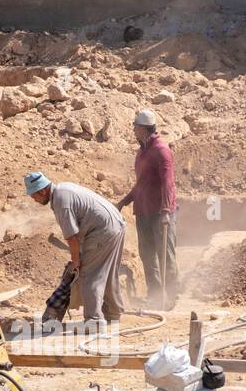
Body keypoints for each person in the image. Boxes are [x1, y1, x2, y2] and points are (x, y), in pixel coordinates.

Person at [24, 172, 126, 324]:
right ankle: (113, 312)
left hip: (102, 231)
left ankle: (94, 320)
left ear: (42, 191)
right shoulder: (63, 189)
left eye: (34, 196)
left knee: (89, 275)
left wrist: (76, 261)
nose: (35, 200)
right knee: (108, 272)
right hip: (116, 224)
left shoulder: (60, 201)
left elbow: (72, 237)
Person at [116, 108, 178, 308]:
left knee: (165, 255)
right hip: (143, 211)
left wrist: (166, 211)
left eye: (135, 126)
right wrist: (123, 202)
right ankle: (155, 294)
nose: (133, 130)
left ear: (143, 128)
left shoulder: (161, 150)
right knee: (147, 255)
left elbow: (168, 182)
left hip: (160, 213)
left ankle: (171, 297)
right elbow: (142, 183)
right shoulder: (142, 152)